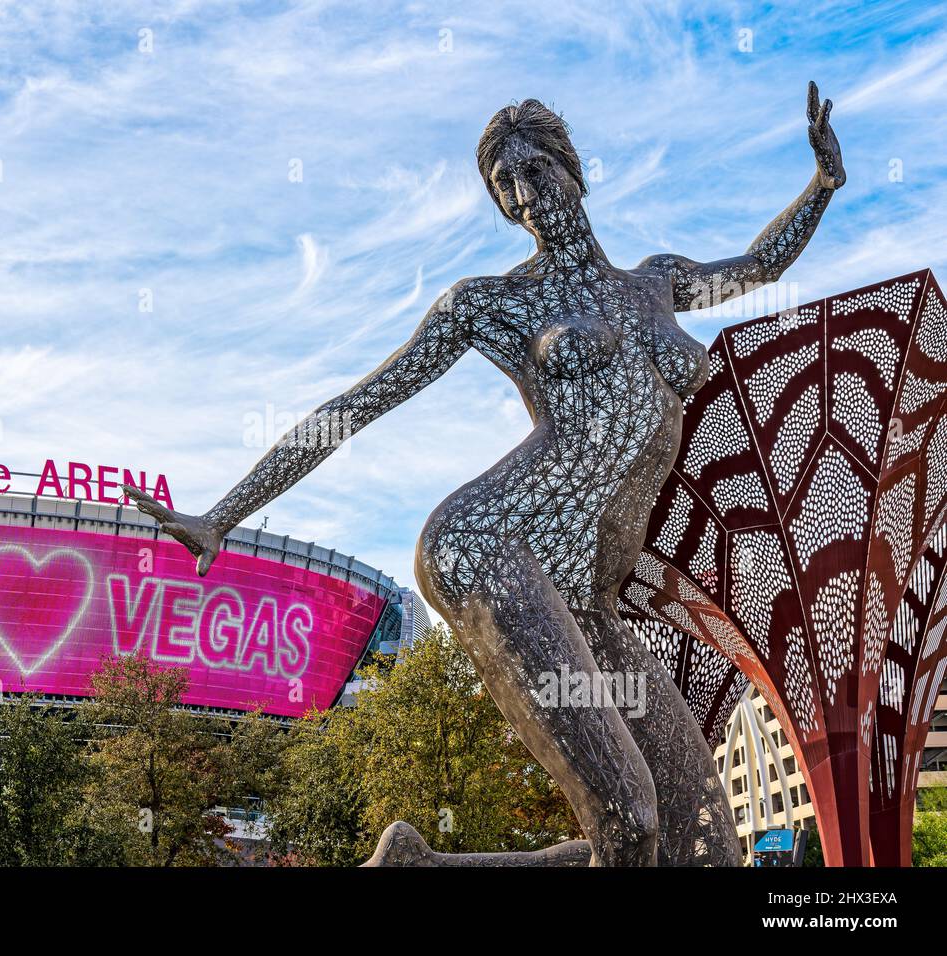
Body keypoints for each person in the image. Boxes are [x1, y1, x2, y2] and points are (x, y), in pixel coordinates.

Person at [125, 82, 844, 865]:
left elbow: (763, 264)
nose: (524, 198)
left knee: (700, 844)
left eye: (535, 173)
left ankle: (416, 866)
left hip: (587, 600)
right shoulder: (494, 303)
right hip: (491, 547)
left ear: (574, 169)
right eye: (505, 189)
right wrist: (222, 515)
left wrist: (822, 186)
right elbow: (360, 403)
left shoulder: (657, 281)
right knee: (630, 820)